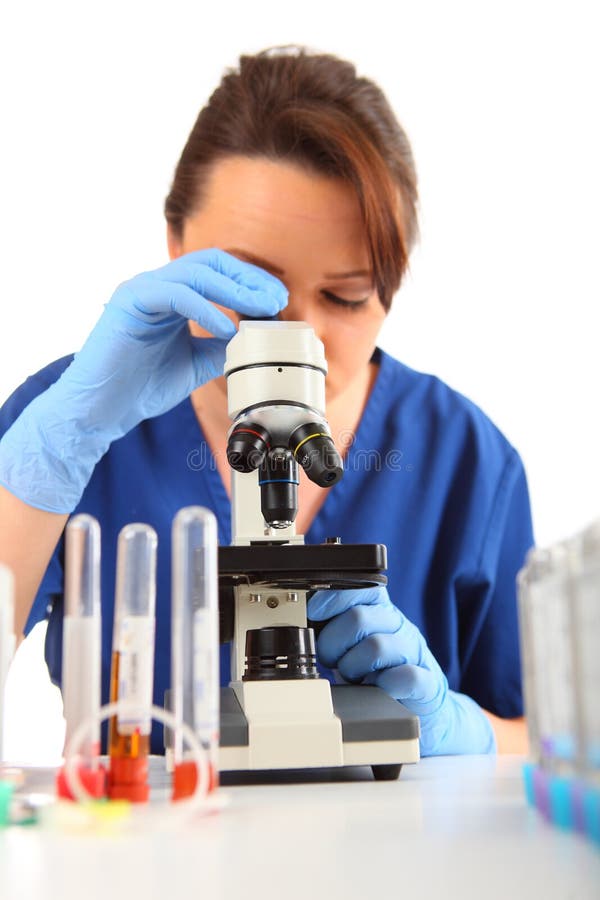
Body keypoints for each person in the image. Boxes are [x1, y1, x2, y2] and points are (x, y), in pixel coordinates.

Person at [0, 47, 534, 757]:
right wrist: (43, 463)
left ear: (393, 281)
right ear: (175, 246)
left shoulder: (466, 458)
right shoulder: (70, 414)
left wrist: (460, 729)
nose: (297, 336)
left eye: (346, 296)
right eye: (253, 290)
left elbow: (558, 745)